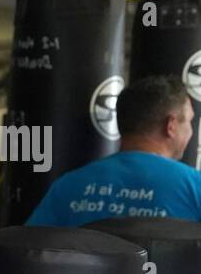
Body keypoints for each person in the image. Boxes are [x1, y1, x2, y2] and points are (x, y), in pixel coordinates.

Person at [26, 74, 201, 226]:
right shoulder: (195, 187)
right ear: (171, 126)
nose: (191, 131)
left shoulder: (67, 186)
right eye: (189, 122)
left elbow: (28, 252)